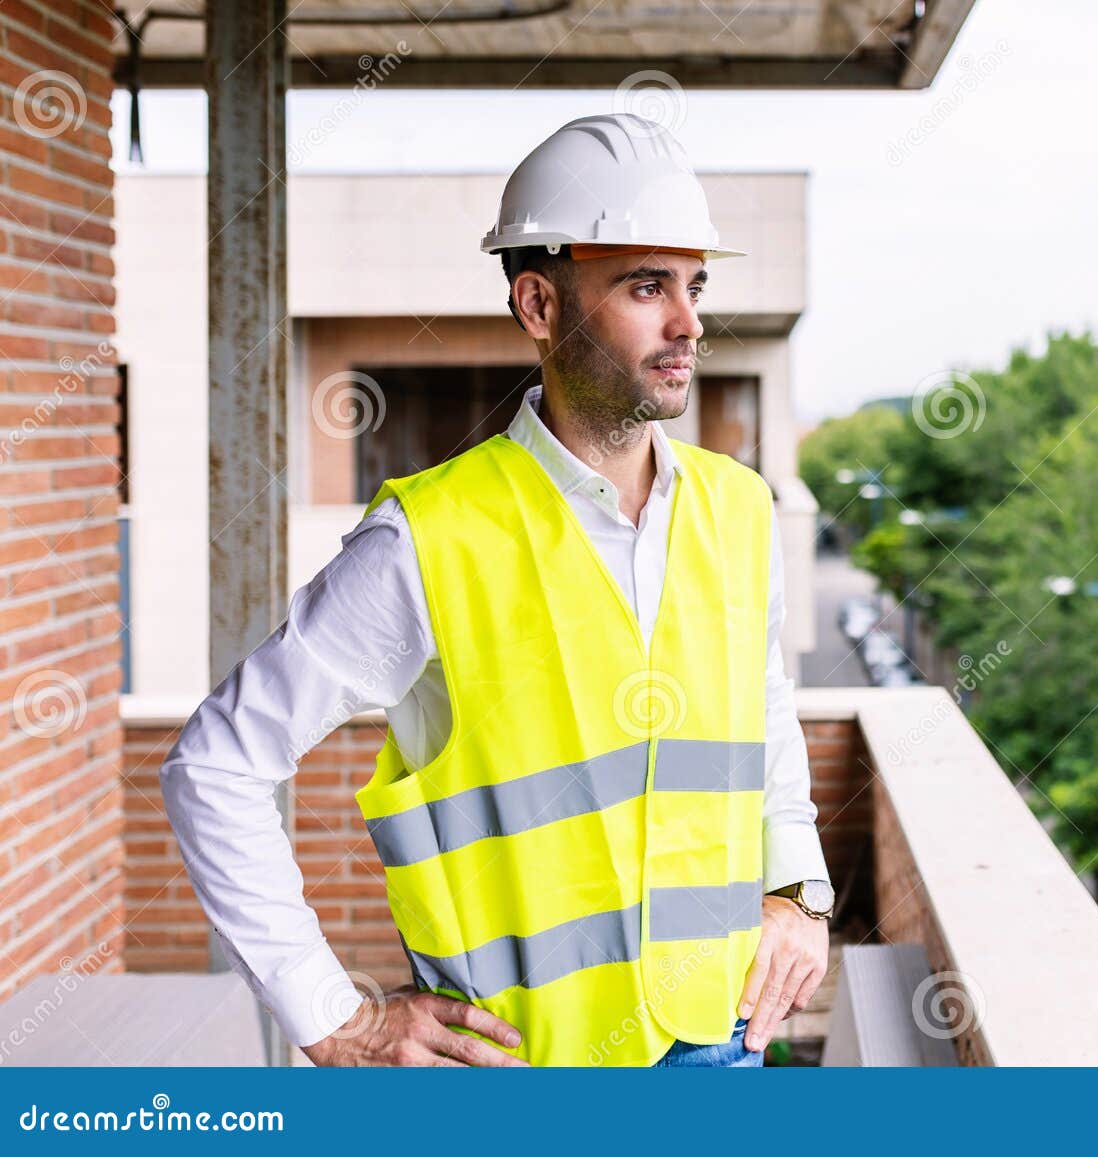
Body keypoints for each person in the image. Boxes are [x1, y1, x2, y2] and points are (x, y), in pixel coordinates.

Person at [160, 112, 836, 1067]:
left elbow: (763, 711)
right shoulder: (429, 537)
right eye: (647, 286)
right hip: (518, 1068)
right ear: (540, 306)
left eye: (694, 286)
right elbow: (214, 767)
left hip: (721, 1040)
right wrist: (336, 1018)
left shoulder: (739, 507)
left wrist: (798, 890)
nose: (689, 322)